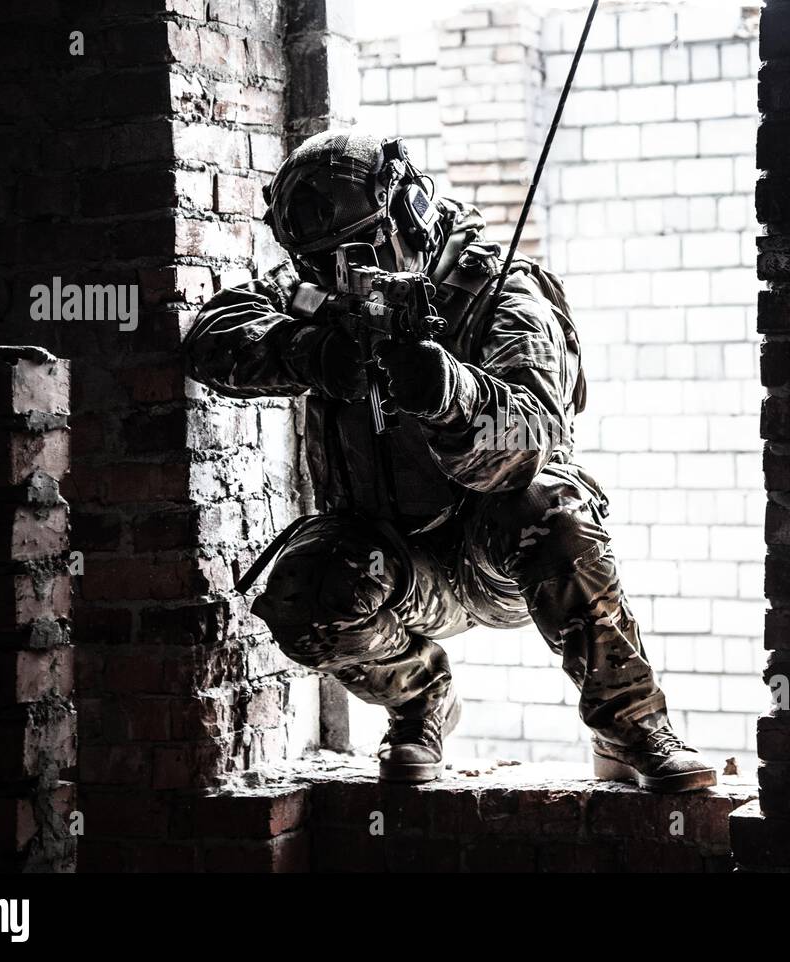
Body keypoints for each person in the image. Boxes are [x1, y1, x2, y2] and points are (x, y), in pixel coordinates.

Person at [184, 128, 716, 793]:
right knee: (304, 592)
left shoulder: (494, 292)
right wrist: (312, 350)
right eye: (318, 263)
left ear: (411, 211)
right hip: (394, 560)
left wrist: (449, 393)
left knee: (550, 508)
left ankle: (632, 724)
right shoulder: (319, 291)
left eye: (361, 252)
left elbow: (530, 440)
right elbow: (213, 335)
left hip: (494, 550)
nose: (342, 273)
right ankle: (420, 704)